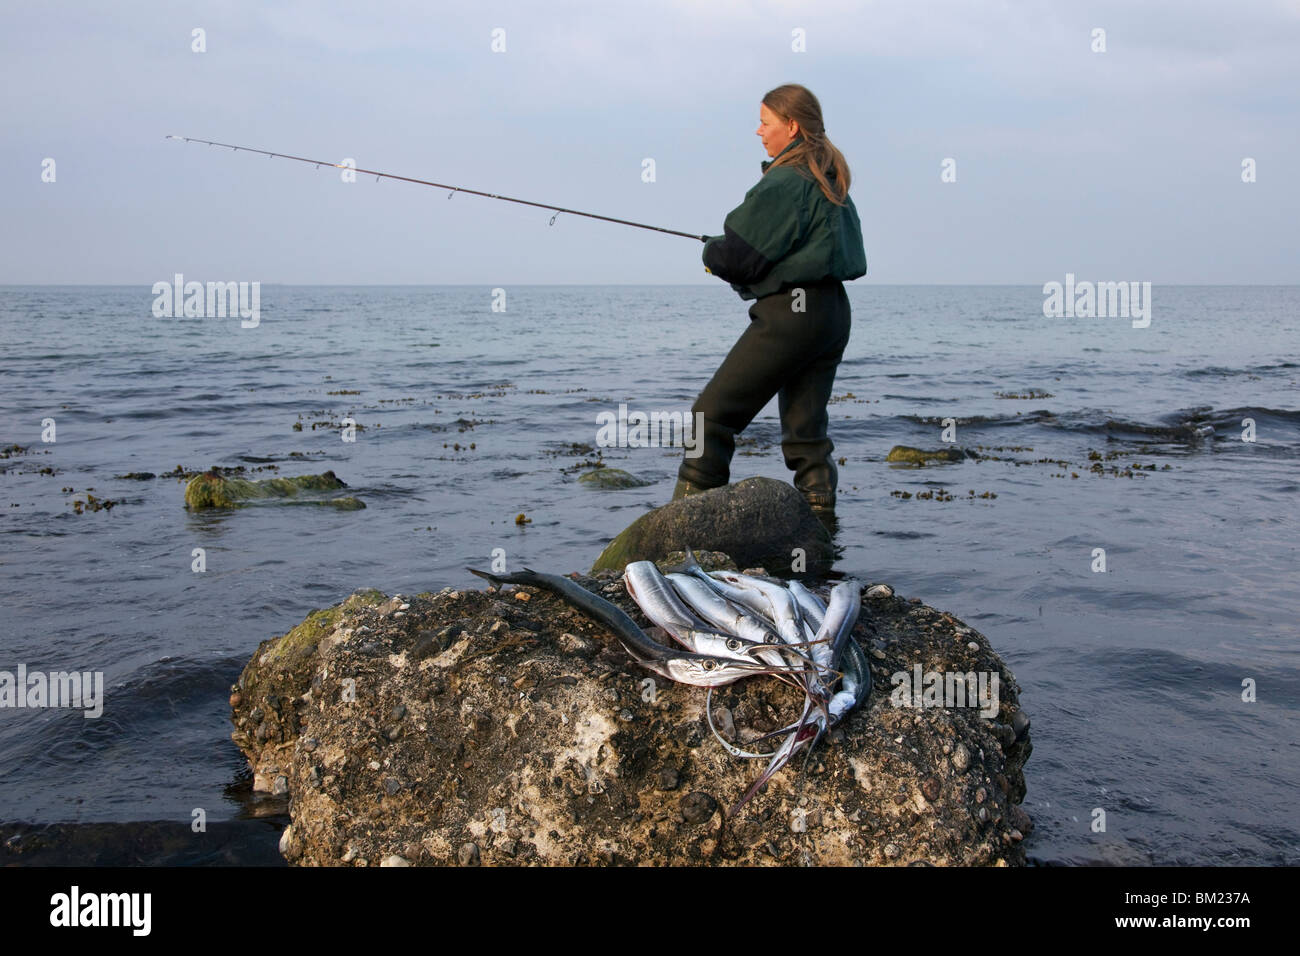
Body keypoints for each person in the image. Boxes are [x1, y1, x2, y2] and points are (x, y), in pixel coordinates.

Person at [673, 84, 867, 518]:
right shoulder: (829, 177)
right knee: (806, 435)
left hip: (791, 316)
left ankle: (685, 532)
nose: (759, 131)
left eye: (765, 121)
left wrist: (710, 252)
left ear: (791, 125)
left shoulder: (786, 179)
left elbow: (738, 256)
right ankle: (821, 541)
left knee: (709, 419)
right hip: (832, 314)